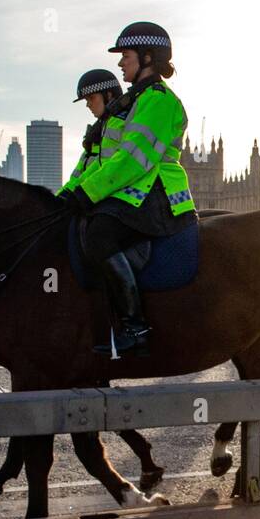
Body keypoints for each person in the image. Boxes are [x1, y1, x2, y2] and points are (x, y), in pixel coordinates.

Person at [61, 21, 198, 357]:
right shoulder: (134, 102)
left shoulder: (159, 100)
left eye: (125, 55)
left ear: (148, 56)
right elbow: (100, 164)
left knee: (99, 234)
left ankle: (136, 326)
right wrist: (64, 198)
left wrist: (86, 194)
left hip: (158, 197)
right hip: (135, 194)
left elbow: (133, 159)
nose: (120, 62)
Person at [60, 69, 124, 195]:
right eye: (86, 100)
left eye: (91, 98)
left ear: (109, 95)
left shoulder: (121, 124)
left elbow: (108, 167)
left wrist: (79, 195)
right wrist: (60, 198)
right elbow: (77, 177)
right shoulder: (94, 135)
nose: (88, 105)